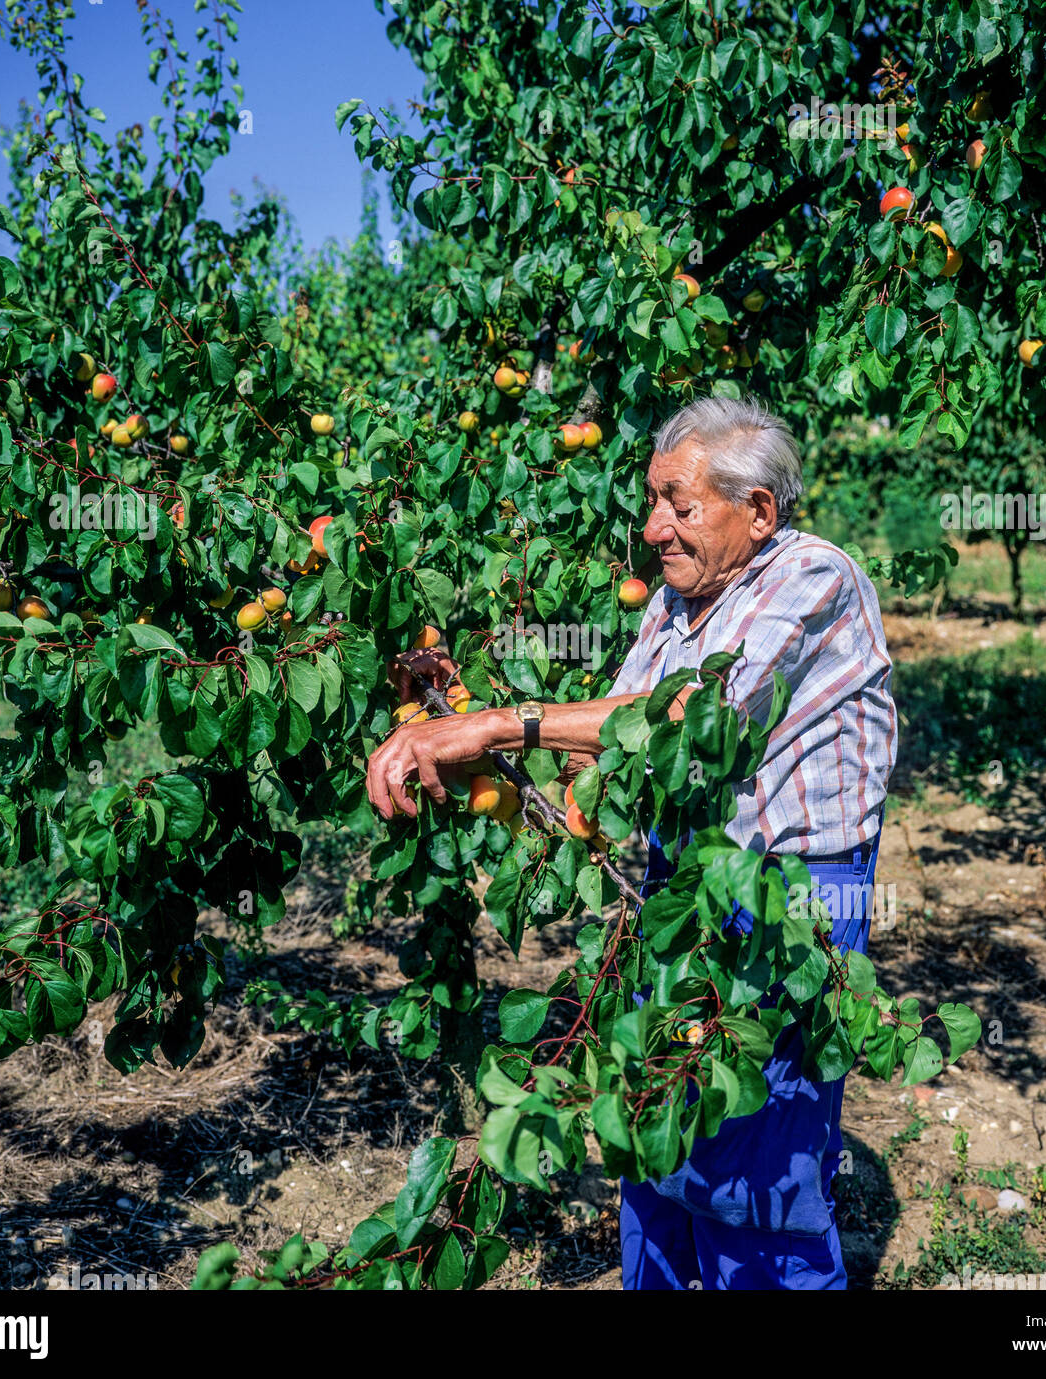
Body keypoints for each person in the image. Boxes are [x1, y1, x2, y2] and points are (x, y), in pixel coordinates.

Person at [366, 394, 897, 1289]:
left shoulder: (815, 578)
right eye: (652, 501)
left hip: (793, 899)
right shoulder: (674, 604)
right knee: (653, 1147)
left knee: (756, 1179)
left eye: (678, 504)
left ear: (757, 510)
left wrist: (500, 724)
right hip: (676, 890)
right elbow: (599, 771)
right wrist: (463, 725)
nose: (653, 527)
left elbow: (686, 714)